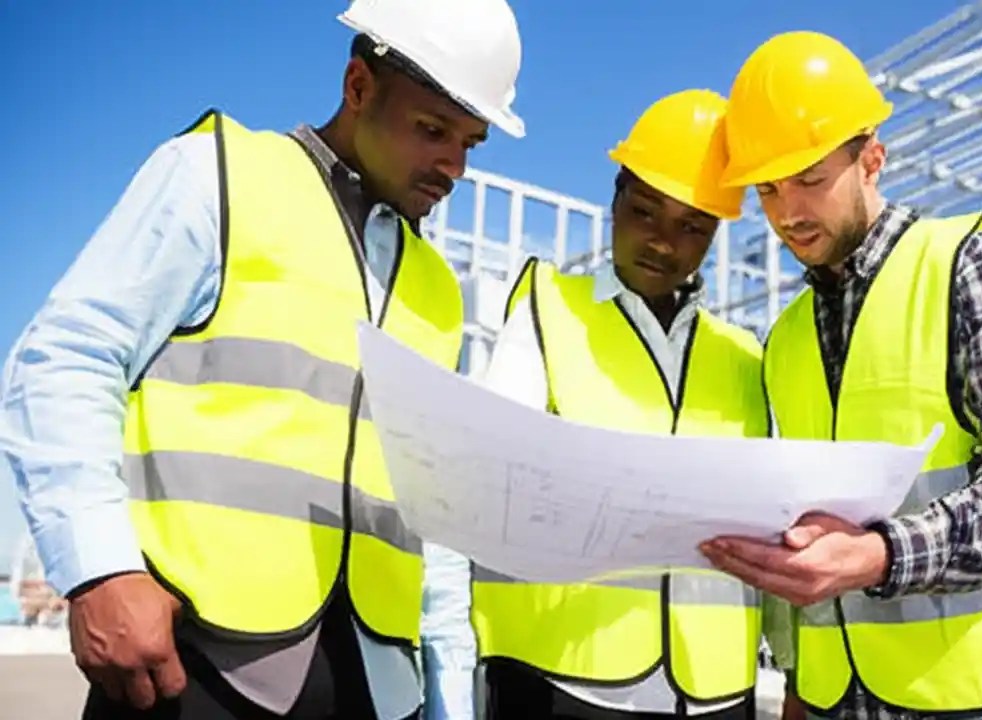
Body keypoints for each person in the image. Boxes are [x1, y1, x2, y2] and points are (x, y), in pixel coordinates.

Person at [0, 1, 526, 718]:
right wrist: (98, 568)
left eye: (472, 141)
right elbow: (66, 357)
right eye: (432, 130)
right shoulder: (219, 175)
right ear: (358, 87)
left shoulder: (439, 293)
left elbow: (425, 515)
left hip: (376, 686)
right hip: (196, 666)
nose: (452, 166)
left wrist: (447, 697)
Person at [699, 31, 982, 720]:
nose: (787, 213)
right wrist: (801, 682)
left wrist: (882, 555)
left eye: (808, 179)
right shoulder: (788, 337)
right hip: (843, 700)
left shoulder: (972, 265)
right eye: (767, 189)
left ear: (872, 159)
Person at [472, 89, 770, 719]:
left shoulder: (745, 357)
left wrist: (793, 669)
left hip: (714, 689)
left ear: (715, 232)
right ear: (613, 202)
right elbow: (484, 483)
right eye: (645, 211)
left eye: (692, 225)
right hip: (561, 678)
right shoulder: (547, 310)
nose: (663, 242)